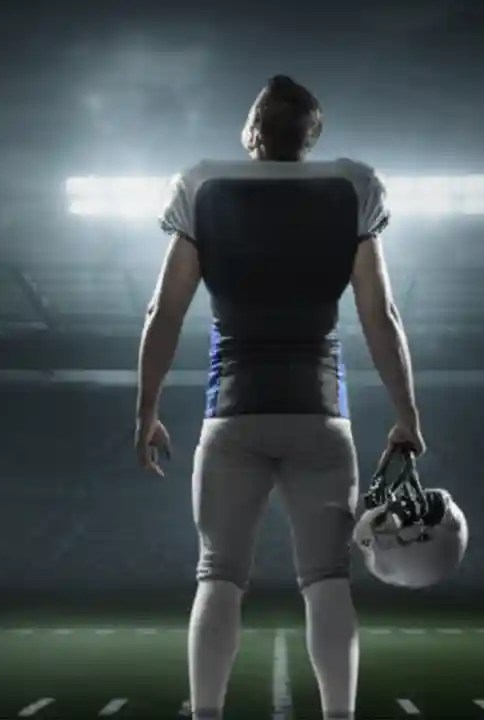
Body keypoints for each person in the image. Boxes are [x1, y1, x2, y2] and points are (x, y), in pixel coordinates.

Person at [133, 74, 424, 720]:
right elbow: (382, 316)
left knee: (219, 577)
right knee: (327, 581)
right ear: (310, 139)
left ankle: (207, 714)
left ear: (254, 127)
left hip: (232, 414)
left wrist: (146, 411)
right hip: (321, 414)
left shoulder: (203, 185)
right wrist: (407, 417)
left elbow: (165, 311)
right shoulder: (350, 188)